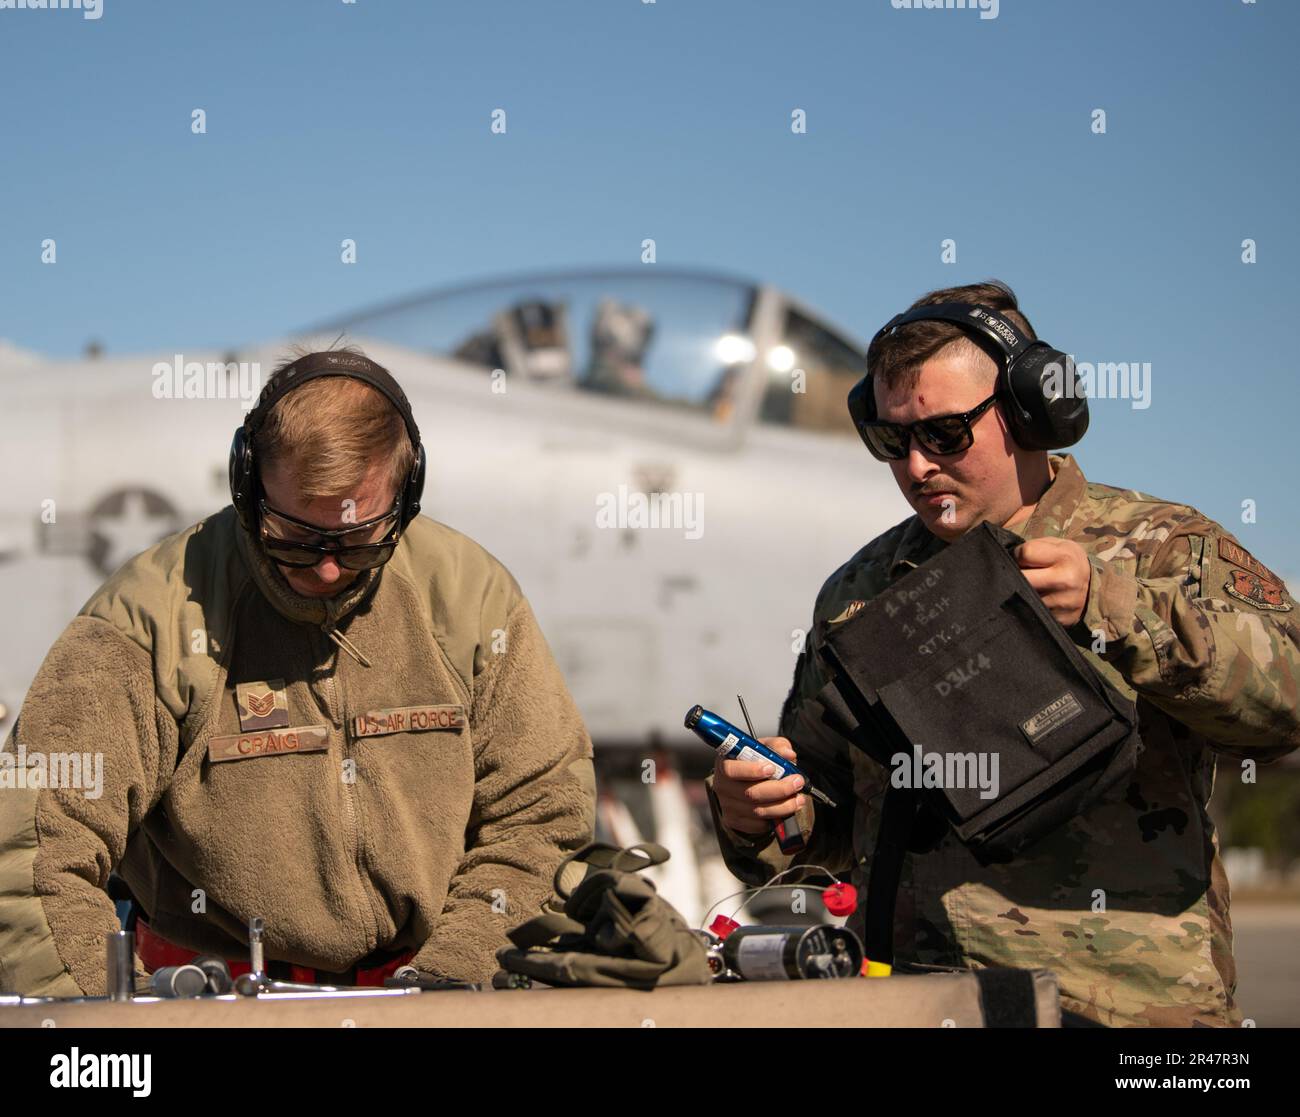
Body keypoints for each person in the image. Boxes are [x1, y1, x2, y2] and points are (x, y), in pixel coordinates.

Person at [706, 281, 1300, 1027]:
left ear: (1029, 412)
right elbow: (828, 826)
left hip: (1129, 1012)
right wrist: (758, 812)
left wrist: (1117, 609)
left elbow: (1288, 699)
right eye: (894, 441)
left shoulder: (1162, 546)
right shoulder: (856, 594)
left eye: (947, 434)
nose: (918, 466)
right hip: (920, 1007)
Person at [0, 346, 595, 995]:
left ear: (407, 492)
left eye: (360, 539)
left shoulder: (472, 599)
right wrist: (119, 1023)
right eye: (294, 538)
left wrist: (455, 983)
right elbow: (30, 852)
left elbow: (541, 811)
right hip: (206, 1002)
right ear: (249, 487)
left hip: (437, 994)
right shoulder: (145, 620)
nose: (329, 570)